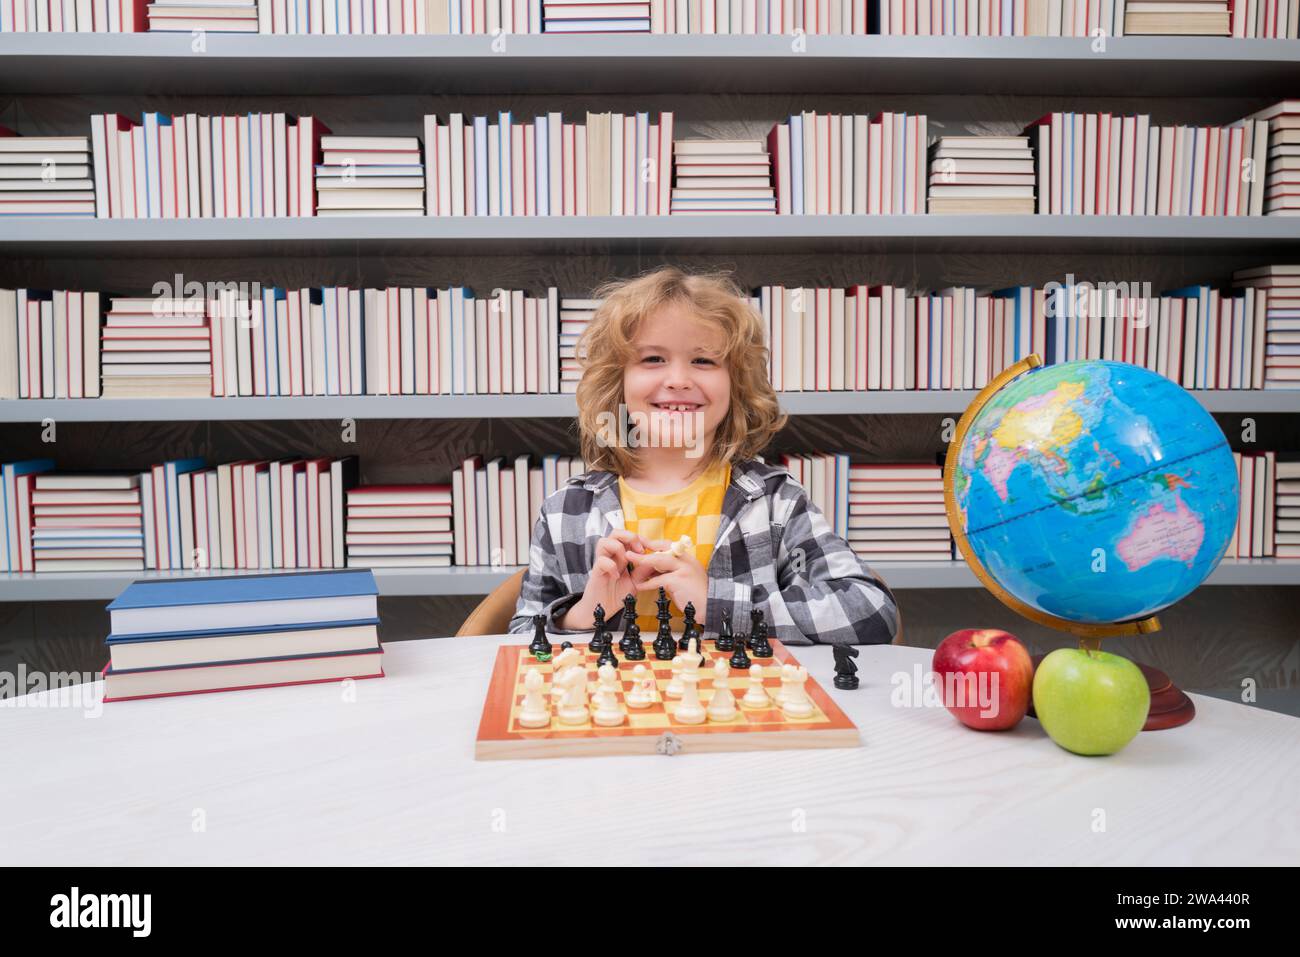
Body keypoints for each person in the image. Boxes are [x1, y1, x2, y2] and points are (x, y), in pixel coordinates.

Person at [507, 266, 899, 646]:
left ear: (737, 385)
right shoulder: (565, 511)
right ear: (617, 383)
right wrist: (583, 612)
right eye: (653, 359)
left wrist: (718, 604)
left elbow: (871, 611)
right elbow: (518, 640)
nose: (678, 379)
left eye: (704, 360)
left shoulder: (774, 501)